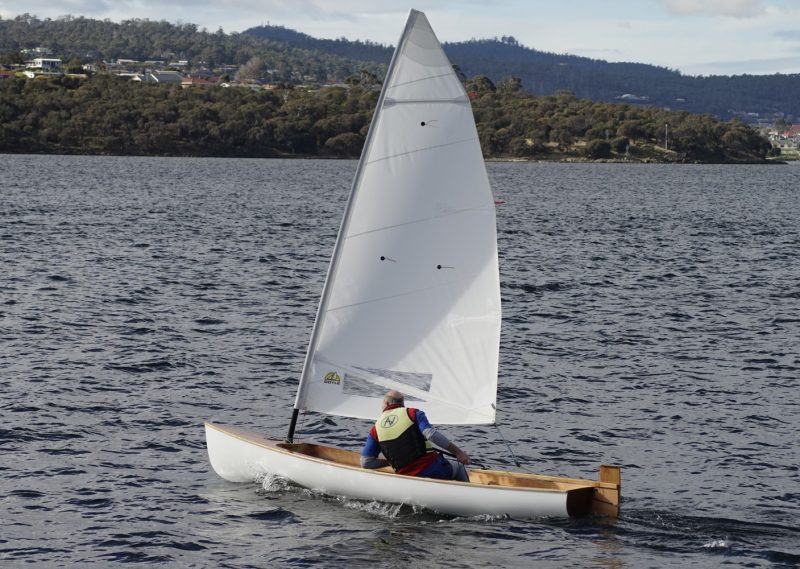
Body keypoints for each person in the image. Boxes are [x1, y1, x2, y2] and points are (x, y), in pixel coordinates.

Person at [360, 390, 471, 482]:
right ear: (402, 403)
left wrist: (389, 462)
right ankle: (469, 497)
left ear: (387, 404)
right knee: (459, 467)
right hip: (433, 469)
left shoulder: (375, 429)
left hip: (407, 478)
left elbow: (366, 462)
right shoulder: (412, 413)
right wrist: (458, 453)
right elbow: (431, 434)